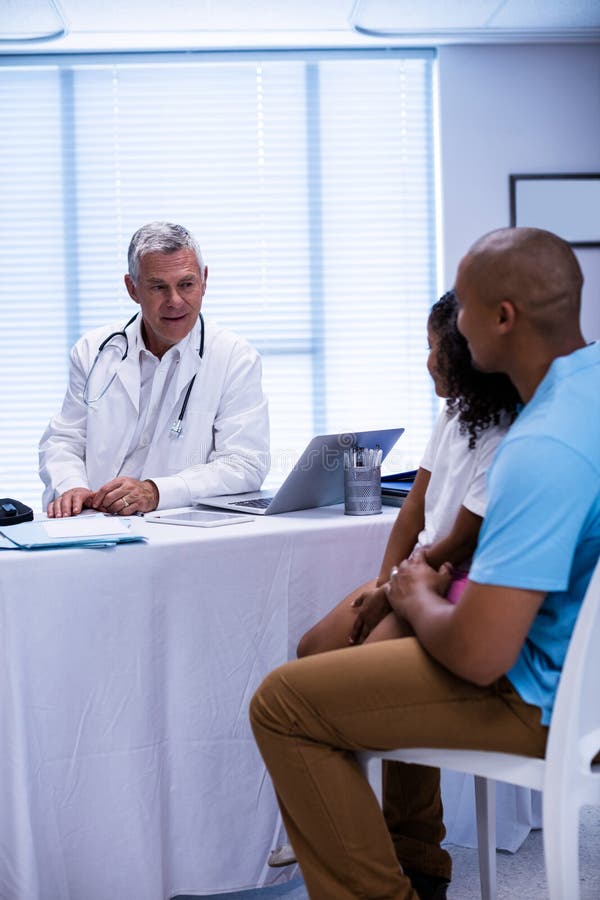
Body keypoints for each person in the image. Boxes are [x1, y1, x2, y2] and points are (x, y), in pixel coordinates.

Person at [250, 227, 600, 900]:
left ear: (503, 318)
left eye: (462, 309)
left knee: (282, 703)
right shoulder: (583, 394)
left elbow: (478, 653)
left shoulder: (539, 445)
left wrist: (411, 596)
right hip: (572, 678)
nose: (454, 329)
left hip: (539, 695)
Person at [297, 289, 520, 657]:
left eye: (435, 349)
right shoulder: (454, 411)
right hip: (413, 570)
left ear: (464, 356)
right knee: (311, 648)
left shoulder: (505, 432)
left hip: (447, 576)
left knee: (355, 669)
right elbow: (415, 505)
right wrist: (384, 583)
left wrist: (390, 593)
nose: (429, 361)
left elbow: (462, 541)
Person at [39, 222, 269, 517]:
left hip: (177, 527)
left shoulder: (235, 357)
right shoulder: (94, 350)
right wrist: (70, 485)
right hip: (93, 524)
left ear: (204, 280)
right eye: (158, 287)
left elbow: (245, 464)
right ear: (132, 288)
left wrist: (156, 492)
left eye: (186, 284)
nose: (175, 301)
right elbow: (64, 439)